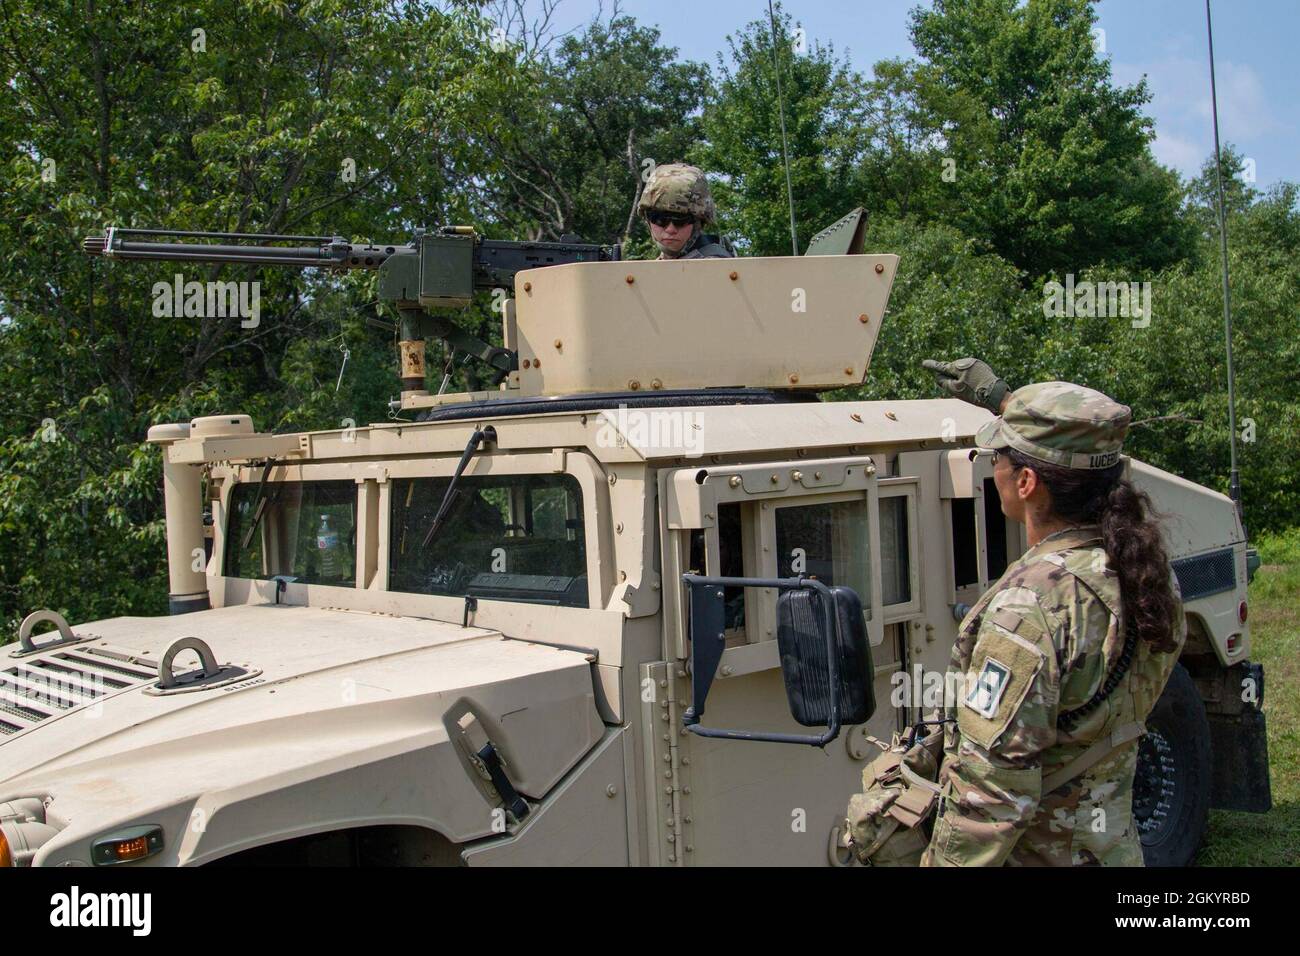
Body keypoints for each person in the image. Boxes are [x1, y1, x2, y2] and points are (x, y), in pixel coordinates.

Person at [917, 357, 1185, 866]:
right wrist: (1001, 396)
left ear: (1026, 483)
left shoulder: (1027, 609)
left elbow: (989, 798)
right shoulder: (1147, 573)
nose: (990, 466)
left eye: (996, 456)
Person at [637, 163, 735, 260]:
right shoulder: (654, 267)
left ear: (698, 222)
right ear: (648, 219)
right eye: (659, 219)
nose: (670, 229)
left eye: (681, 220)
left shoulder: (714, 265)